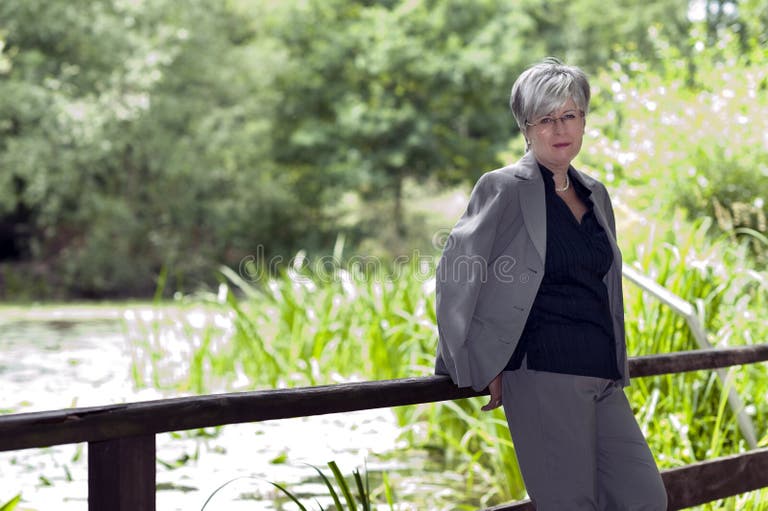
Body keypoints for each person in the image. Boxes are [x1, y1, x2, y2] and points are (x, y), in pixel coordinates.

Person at [434, 58, 668, 510]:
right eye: (546, 118)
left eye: (570, 115)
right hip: (543, 375)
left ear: (582, 121)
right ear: (526, 127)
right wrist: (481, 363)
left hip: (602, 372)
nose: (560, 128)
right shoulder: (502, 188)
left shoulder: (595, 193)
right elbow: (457, 275)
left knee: (645, 499)